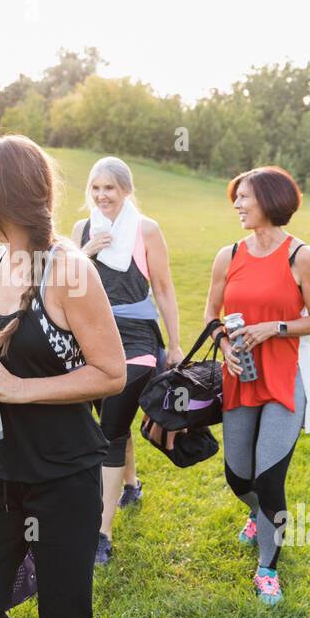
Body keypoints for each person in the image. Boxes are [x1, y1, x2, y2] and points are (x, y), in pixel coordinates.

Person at [0, 134, 125, 618]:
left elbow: (111, 373)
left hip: (61, 478)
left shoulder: (69, 271)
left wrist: (19, 389)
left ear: (0, 195)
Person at [202, 166, 310, 606]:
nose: (237, 205)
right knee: (238, 477)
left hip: (282, 379)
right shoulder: (229, 255)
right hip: (239, 378)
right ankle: (259, 515)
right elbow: (211, 316)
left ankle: (267, 568)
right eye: (235, 198)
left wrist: (271, 328)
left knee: (269, 478)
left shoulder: (302, 257)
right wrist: (225, 344)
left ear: (271, 201)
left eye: (245, 198)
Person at [71, 157, 182, 566]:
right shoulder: (82, 229)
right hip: (90, 337)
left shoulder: (146, 230)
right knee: (108, 418)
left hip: (136, 340)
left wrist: (175, 344)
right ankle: (131, 484)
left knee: (111, 429)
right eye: (96, 188)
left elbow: (165, 290)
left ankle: (102, 533)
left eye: (110, 189)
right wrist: (85, 251)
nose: (102, 196)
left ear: (126, 191)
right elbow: (67, 283)